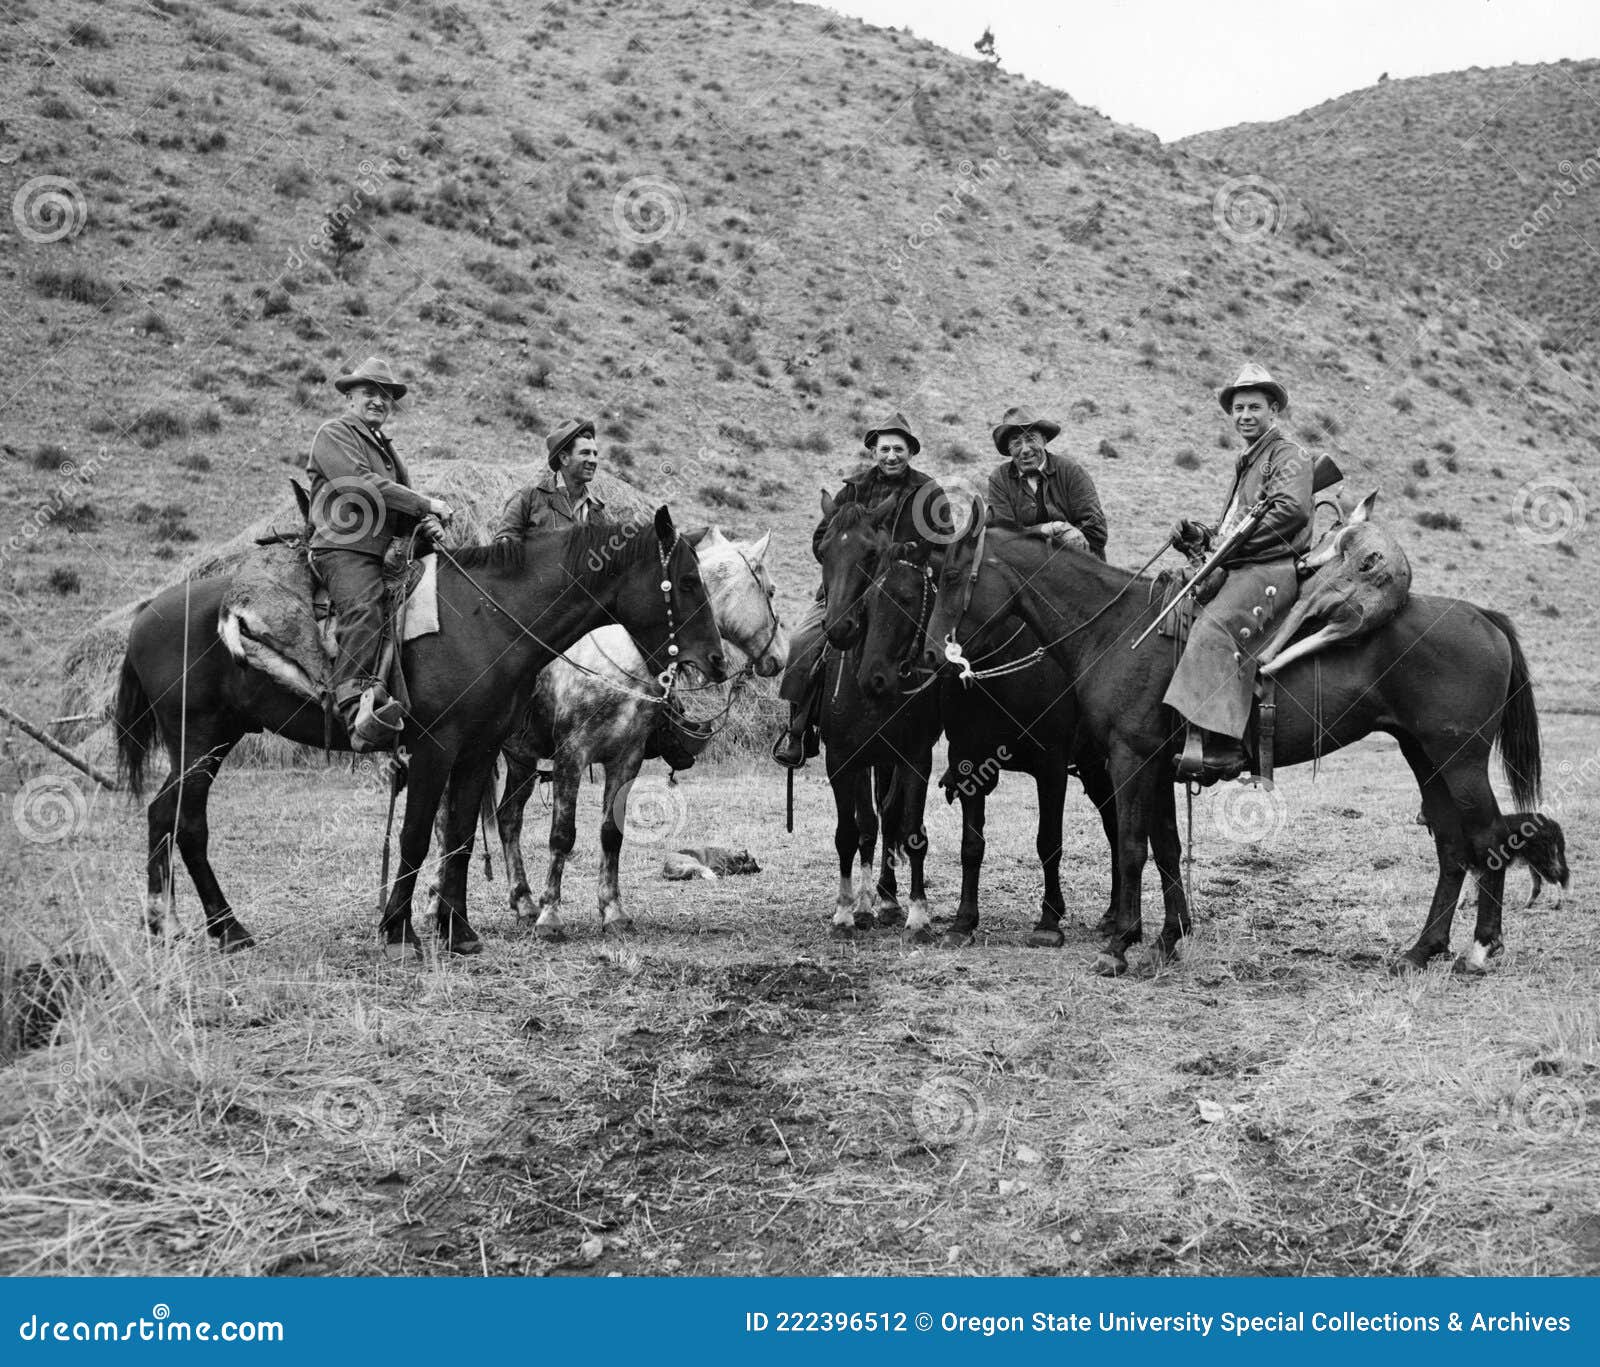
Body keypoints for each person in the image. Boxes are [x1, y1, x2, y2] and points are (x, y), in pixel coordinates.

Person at [1163, 362, 1314, 781]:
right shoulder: (1247, 460)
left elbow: (1292, 509)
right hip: (1246, 561)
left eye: (1254, 407)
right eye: (1238, 408)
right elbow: (1236, 524)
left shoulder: (1288, 454)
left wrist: (1227, 548)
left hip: (1272, 568)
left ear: (1274, 411)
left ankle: (1224, 745)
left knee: (1216, 628)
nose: (1245, 415)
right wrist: (1203, 534)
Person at [771, 412, 946, 769]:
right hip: (849, 591)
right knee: (803, 640)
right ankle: (799, 728)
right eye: (885, 449)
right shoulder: (852, 489)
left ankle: (955, 727)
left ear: (910, 451)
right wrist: (841, 556)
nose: (891, 456)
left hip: (906, 596)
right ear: (873, 451)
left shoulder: (930, 493)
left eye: (899, 448)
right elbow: (822, 537)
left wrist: (911, 558)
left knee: (946, 650)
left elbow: (945, 547)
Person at [306, 357, 453, 751]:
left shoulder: (387, 449)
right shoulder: (334, 433)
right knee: (365, 606)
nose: (378, 402)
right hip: (344, 548)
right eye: (369, 393)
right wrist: (426, 503)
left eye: (386, 396)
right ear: (350, 397)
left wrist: (425, 525)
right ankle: (353, 706)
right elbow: (360, 484)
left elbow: (399, 507)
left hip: (388, 551)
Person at [984, 406, 1108, 557]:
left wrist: (1065, 537)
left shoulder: (1071, 472)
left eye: (1031, 439)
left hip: (1078, 566)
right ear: (1009, 449)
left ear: (1044, 440)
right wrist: (1050, 529)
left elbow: (1097, 532)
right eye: (1016, 443)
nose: (1025, 450)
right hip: (1025, 571)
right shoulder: (1000, 479)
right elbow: (1001, 537)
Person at [495, 417, 605, 541]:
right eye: (585, 453)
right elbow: (502, 552)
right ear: (564, 458)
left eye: (595, 454)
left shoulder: (597, 512)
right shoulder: (528, 499)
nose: (593, 460)